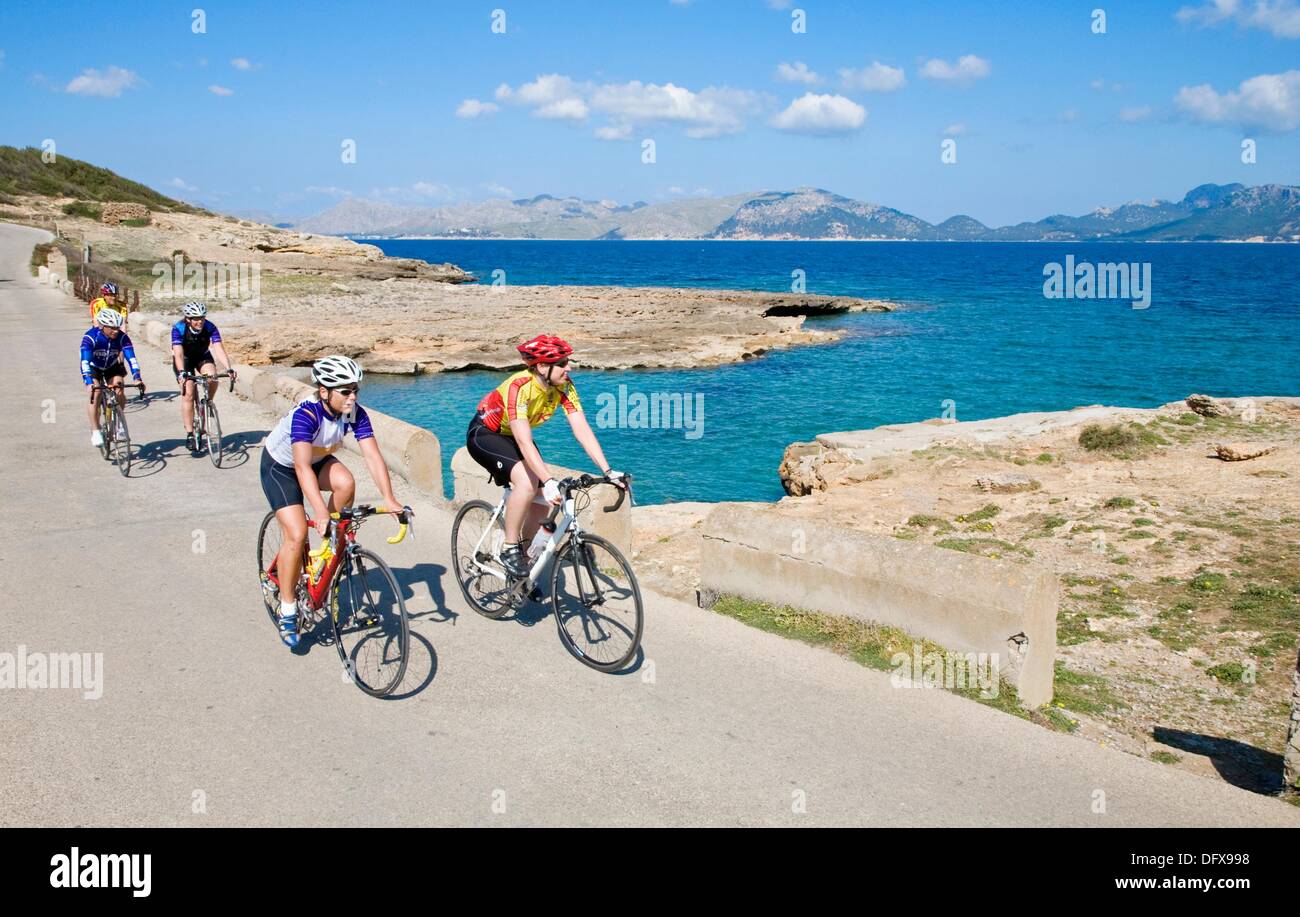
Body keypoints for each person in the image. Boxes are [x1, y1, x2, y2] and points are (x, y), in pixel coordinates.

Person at [260, 355, 403, 648]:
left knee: (346, 482)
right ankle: (288, 609)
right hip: (282, 468)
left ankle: (328, 547)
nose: (353, 397)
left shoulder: (353, 412)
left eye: (356, 390)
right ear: (324, 391)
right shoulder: (307, 415)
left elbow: (373, 456)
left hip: (318, 460)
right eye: (345, 391)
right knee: (297, 533)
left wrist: (389, 499)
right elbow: (300, 468)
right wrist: (319, 512)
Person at [466, 334, 626, 578]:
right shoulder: (519, 387)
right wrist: (548, 480)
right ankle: (509, 547)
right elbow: (523, 440)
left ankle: (524, 565)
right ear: (541, 366)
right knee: (528, 482)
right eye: (562, 363)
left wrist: (607, 470)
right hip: (486, 434)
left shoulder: (564, 386)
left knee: (544, 503)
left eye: (567, 362)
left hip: (514, 436)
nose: (568, 367)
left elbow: (582, 430)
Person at [171, 300, 237, 452]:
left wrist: (228, 368)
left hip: (202, 356)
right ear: (188, 319)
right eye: (195, 318)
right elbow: (178, 354)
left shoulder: (210, 327)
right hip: (185, 360)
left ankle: (206, 402)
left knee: (213, 377)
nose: (199, 321)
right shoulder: (179, 328)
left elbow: (218, 348)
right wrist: (182, 372)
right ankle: (189, 433)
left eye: (202, 317)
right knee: (188, 393)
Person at [80, 308, 145, 446]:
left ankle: (119, 423)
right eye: (112, 328)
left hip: (112, 366)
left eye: (118, 327)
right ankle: (96, 430)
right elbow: (84, 361)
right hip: (94, 367)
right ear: (102, 326)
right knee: (95, 393)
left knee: (119, 387)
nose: (116, 331)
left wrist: (137, 377)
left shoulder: (122, 337)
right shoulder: (91, 337)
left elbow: (131, 358)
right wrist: (88, 381)